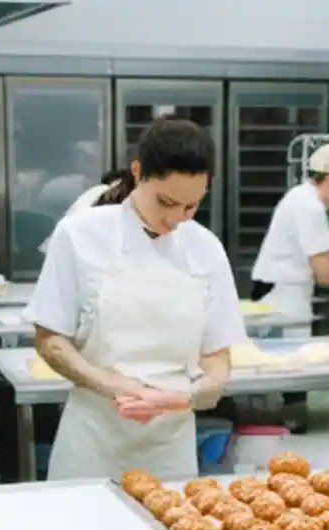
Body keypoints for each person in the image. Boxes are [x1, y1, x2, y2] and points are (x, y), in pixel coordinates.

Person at [25, 118, 247, 480]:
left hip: (170, 451)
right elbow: (50, 341)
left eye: (191, 207)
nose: (176, 219)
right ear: (137, 172)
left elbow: (217, 358)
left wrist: (188, 397)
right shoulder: (81, 234)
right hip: (93, 442)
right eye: (166, 202)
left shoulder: (205, 248)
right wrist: (119, 388)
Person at [250, 142, 329, 331]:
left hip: (275, 293)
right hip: (283, 301)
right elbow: (325, 274)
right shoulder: (310, 208)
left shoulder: (298, 196)